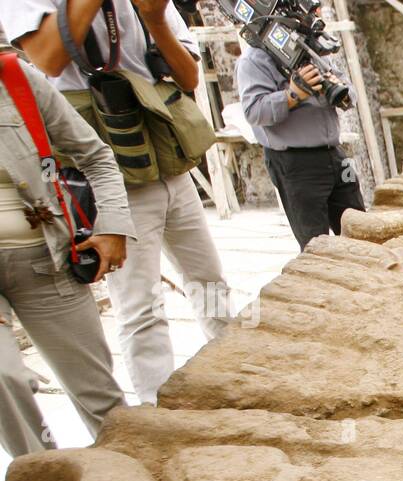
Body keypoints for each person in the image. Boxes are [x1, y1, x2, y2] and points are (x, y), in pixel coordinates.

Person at [0, 0, 232, 406]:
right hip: (111, 174)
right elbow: (50, 59)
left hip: (166, 159)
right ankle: (156, 409)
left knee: (210, 280)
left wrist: (155, 18)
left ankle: (235, 365)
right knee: (141, 305)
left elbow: (188, 75)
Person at [0, 51, 132, 457]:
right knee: (6, 378)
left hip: (46, 260)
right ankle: (41, 478)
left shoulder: (15, 77)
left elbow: (95, 156)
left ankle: (128, 477)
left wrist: (112, 225)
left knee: (98, 396)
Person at [237, 52, 366, 251]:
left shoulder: (313, 51)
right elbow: (254, 112)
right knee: (316, 244)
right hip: (295, 162)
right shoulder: (254, 60)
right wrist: (293, 95)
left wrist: (340, 89)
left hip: (335, 154)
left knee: (361, 229)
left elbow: (350, 94)